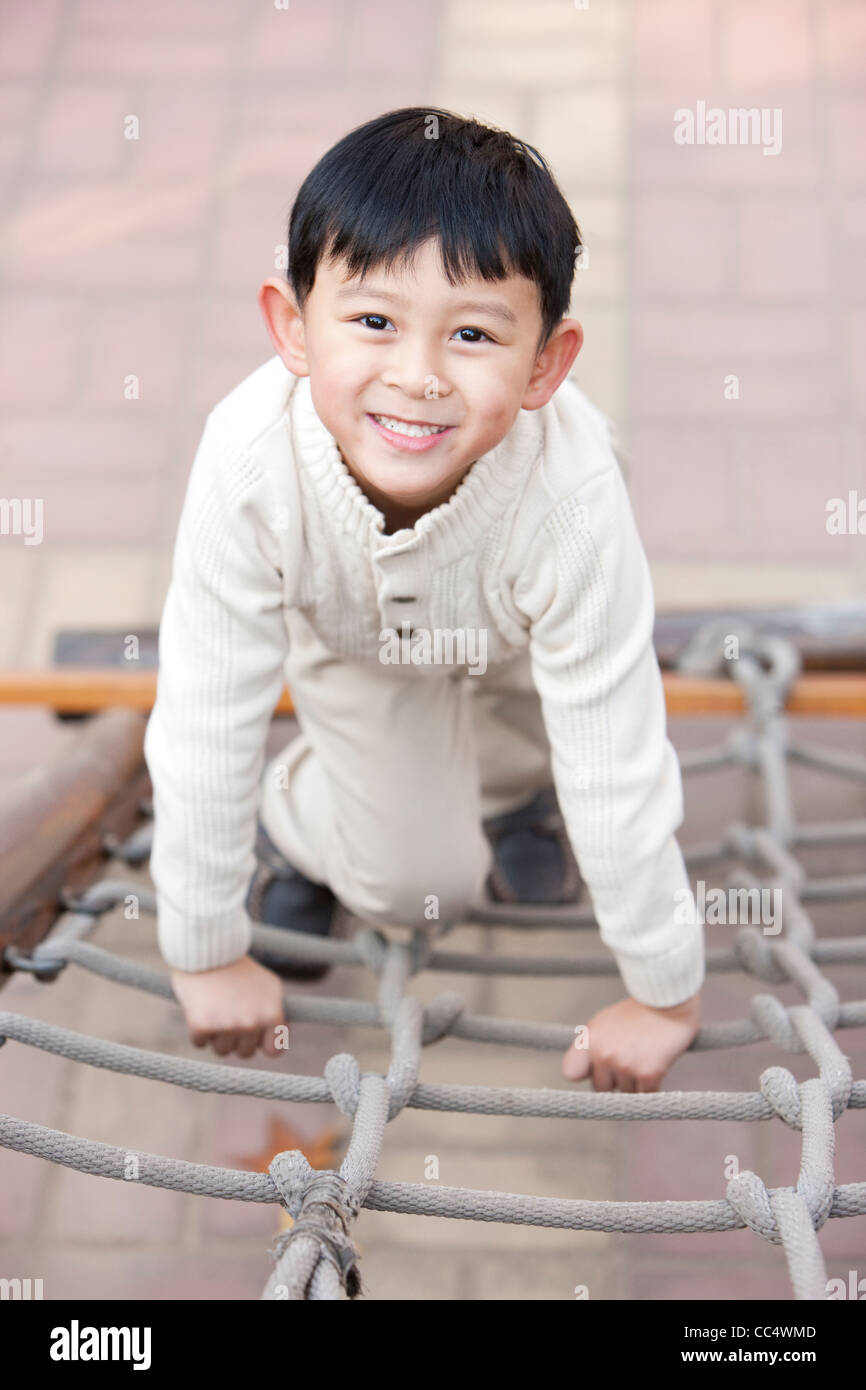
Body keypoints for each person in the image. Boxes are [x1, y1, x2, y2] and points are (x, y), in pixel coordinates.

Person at [143, 107, 704, 1091]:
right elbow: (203, 710)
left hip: (517, 641)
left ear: (544, 365)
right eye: (371, 321)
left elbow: (610, 745)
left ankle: (512, 796)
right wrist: (203, 944)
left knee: (549, 750)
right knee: (419, 885)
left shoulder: (571, 496)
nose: (415, 378)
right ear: (292, 327)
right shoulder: (247, 463)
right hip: (357, 643)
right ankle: (298, 818)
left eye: (473, 334)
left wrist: (661, 988)